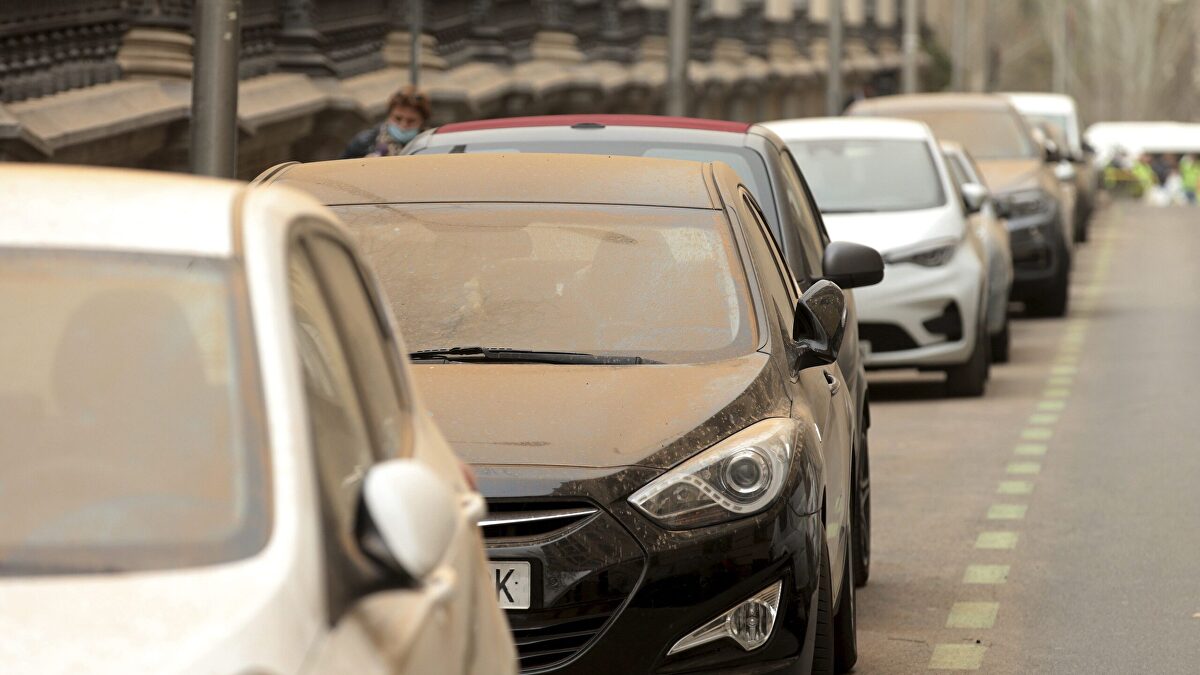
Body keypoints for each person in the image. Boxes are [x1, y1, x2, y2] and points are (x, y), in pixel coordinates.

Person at [341, 86, 431, 159]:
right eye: (398, 119)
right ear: (389, 116)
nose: (403, 125)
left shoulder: (431, 145)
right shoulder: (365, 142)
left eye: (411, 121)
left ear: (422, 122)